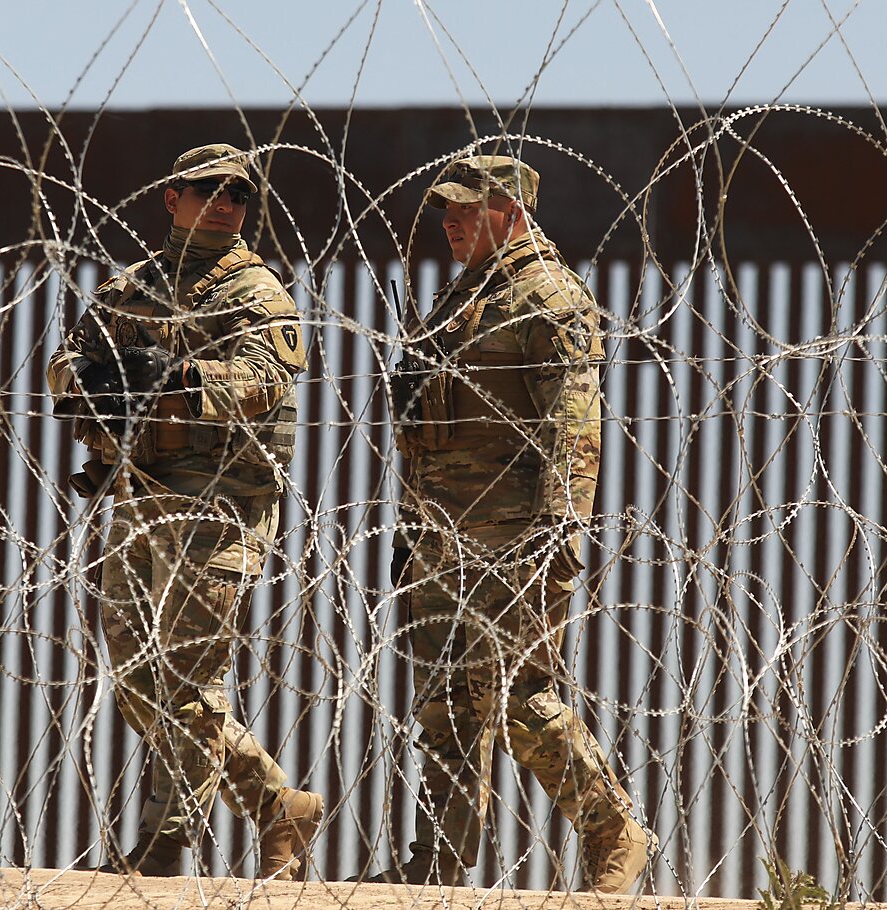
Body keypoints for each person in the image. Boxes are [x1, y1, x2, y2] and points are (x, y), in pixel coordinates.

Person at [370, 155, 655, 892]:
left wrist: (561, 524)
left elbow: (575, 419)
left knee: (520, 697)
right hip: (443, 531)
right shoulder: (463, 298)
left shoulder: (547, 296)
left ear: (515, 214)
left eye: (470, 208)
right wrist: (409, 523)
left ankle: (613, 826)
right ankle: (438, 855)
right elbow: (427, 425)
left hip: (514, 531)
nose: (453, 221)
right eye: (446, 210)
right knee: (443, 703)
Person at [47, 143, 322, 880]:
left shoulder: (256, 293)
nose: (226, 203)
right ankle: (275, 806)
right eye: (211, 190)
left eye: (239, 194)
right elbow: (65, 362)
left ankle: (166, 840)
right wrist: (93, 379)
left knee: (191, 674)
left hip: (219, 504)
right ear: (174, 197)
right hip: (137, 494)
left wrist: (177, 376)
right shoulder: (128, 288)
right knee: (138, 670)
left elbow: (266, 376)